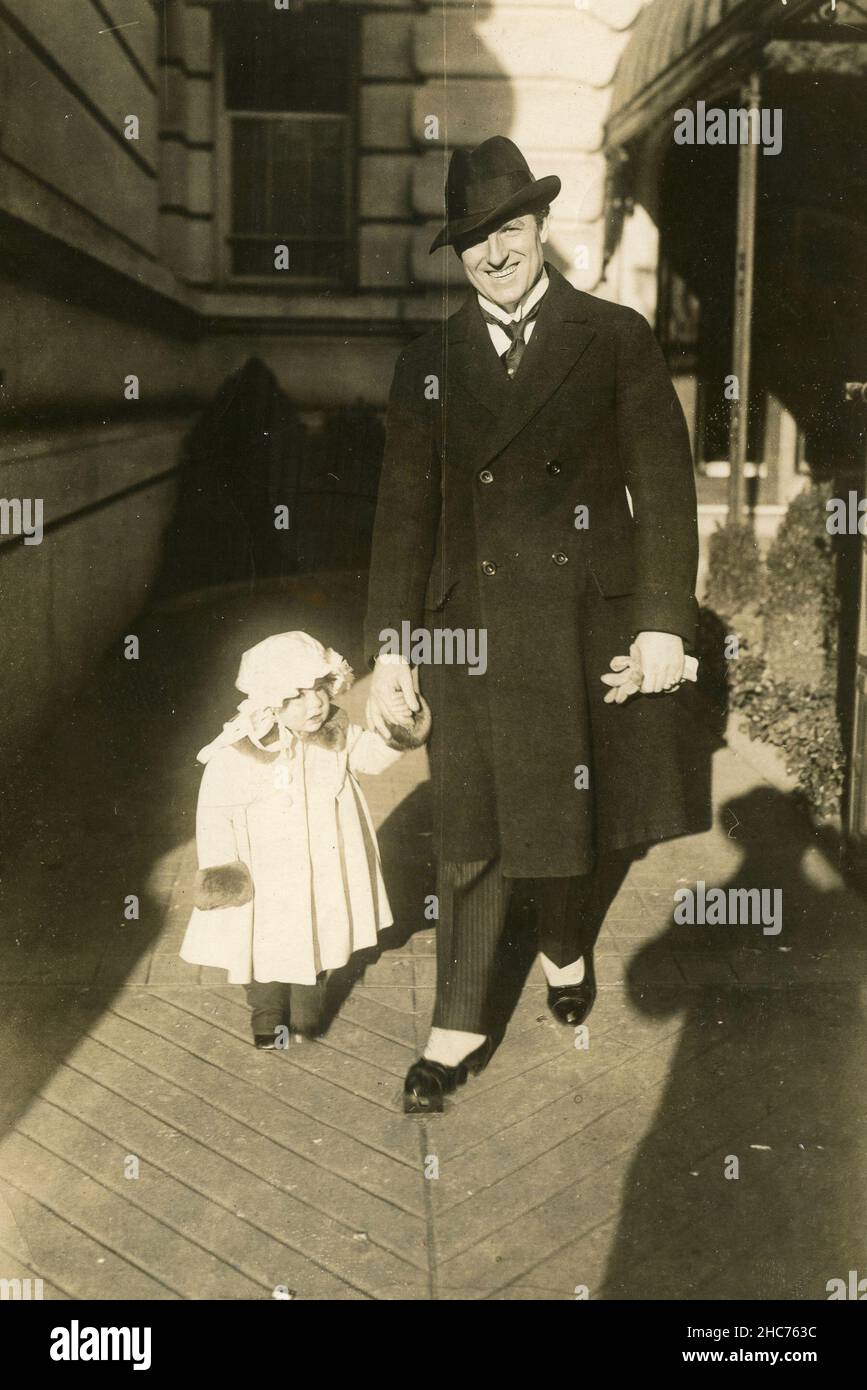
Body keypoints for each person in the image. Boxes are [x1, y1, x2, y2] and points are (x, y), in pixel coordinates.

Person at [364, 136, 707, 1113]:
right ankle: (458, 1020)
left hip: (579, 624)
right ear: (458, 251)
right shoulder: (426, 364)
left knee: (573, 814)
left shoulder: (615, 337)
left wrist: (663, 623)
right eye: (473, 240)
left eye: (508, 230)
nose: (494, 254)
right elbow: (402, 511)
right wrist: (390, 643)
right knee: (470, 826)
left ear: (541, 226)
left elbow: (665, 485)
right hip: (466, 626)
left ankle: (563, 943)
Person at [179, 631, 430, 1046]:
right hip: (266, 874)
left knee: (318, 939)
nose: (316, 703)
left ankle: (305, 1006)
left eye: (320, 689)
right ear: (271, 700)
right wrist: (225, 872)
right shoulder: (238, 751)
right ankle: (266, 1010)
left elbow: (372, 755)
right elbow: (214, 814)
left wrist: (397, 726)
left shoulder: (334, 733)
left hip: (322, 869)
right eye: (298, 695)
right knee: (264, 943)